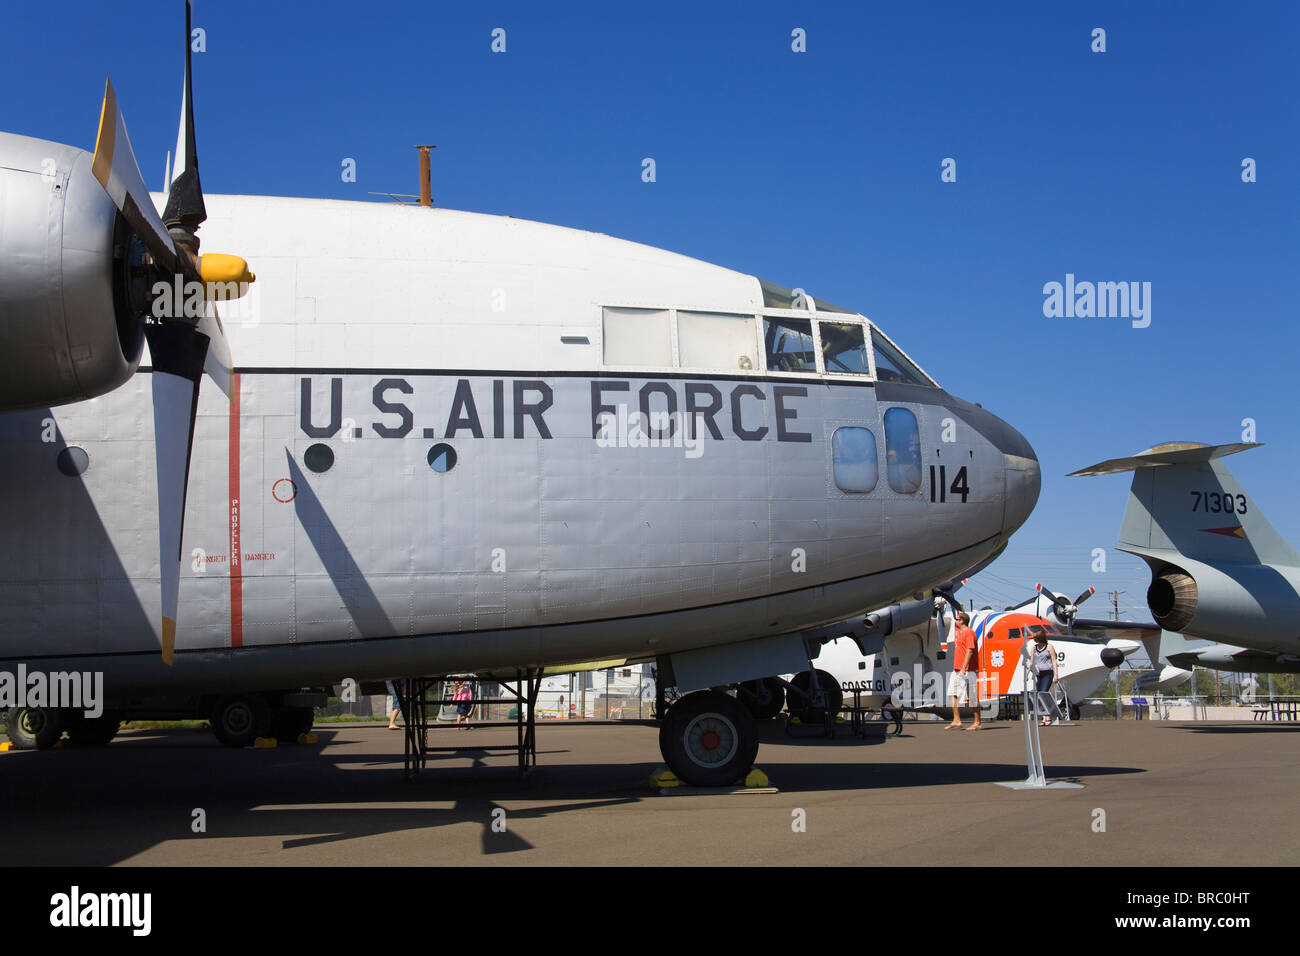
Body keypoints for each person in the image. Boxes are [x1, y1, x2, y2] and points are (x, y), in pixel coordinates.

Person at [946, 609, 982, 730]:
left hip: (967, 669)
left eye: (957, 619)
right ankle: (957, 720)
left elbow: (970, 650)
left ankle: (977, 722)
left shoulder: (969, 633)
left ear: (962, 621)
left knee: (972, 695)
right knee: (952, 693)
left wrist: (963, 667)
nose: (955, 621)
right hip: (956, 669)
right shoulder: (960, 632)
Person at [1029, 628, 1060, 726]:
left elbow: (1054, 661)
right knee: (1039, 695)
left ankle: (1048, 717)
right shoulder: (1034, 648)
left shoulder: (1049, 647)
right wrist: (1027, 673)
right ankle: (1044, 718)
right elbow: (1031, 663)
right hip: (1039, 673)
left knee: (1043, 693)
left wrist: (1055, 675)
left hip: (1048, 673)